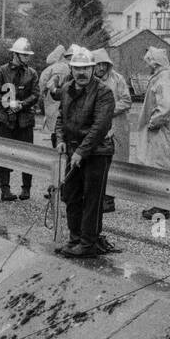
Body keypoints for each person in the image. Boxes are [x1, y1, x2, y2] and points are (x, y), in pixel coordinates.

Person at [53, 46, 117, 257]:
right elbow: (61, 117)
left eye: (86, 69)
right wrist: (61, 139)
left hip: (97, 152)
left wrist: (82, 151)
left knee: (92, 198)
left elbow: (101, 126)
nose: (81, 73)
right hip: (74, 150)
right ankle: (75, 238)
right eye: (77, 68)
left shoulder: (104, 92)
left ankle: (89, 243)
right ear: (71, 68)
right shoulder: (67, 88)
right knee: (71, 195)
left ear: (93, 69)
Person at [0, 37, 40, 201]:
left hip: (25, 120)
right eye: (24, 55)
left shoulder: (32, 73)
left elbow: (36, 94)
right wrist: (9, 104)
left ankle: (26, 189)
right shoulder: (2, 71)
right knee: (5, 154)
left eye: (28, 55)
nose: (27, 58)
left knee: (27, 155)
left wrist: (23, 104)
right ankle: (5, 190)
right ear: (15, 55)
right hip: (5, 119)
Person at [138, 47, 170, 169]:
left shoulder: (164, 78)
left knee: (158, 167)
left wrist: (152, 123)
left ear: (154, 62)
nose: (147, 66)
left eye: (148, 62)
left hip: (160, 133)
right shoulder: (164, 76)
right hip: (164, 131)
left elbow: (166, 106)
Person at [91, 48, 133, 162]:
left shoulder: (117, 79)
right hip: (97, 125)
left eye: (104, 64)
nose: (101, 68)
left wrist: (108, 111)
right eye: (98, 64)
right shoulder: (89, 81)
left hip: (117, 124)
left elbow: (126, 101)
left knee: (118, 157)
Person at [39, 44, 70, 143]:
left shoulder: (49, 69)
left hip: (51, 103)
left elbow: (43, 87)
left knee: (56, 132)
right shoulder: (63, 68)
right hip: (58, 104)